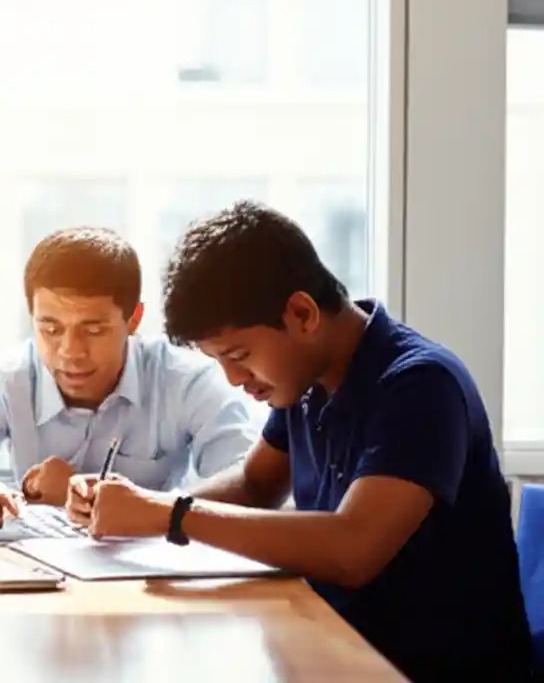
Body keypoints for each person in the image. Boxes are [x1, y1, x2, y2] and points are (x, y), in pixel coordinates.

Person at [68, 202, 531, 681]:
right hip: (335, 647)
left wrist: (170, 515)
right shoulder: (306, 378)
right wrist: (136, 507)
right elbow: (254, 485)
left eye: (239, 355)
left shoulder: (420, 385)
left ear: (302, 313)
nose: (232, 379)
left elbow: (352, 549)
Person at [0, 226, 254, 527]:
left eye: (94, 329)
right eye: (50, 329)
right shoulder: (7, 379)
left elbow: (247, 482)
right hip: (34, 574)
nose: (70, 351)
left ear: (133, 319)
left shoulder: (187, 381)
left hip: (151, 571)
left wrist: (137, 506)